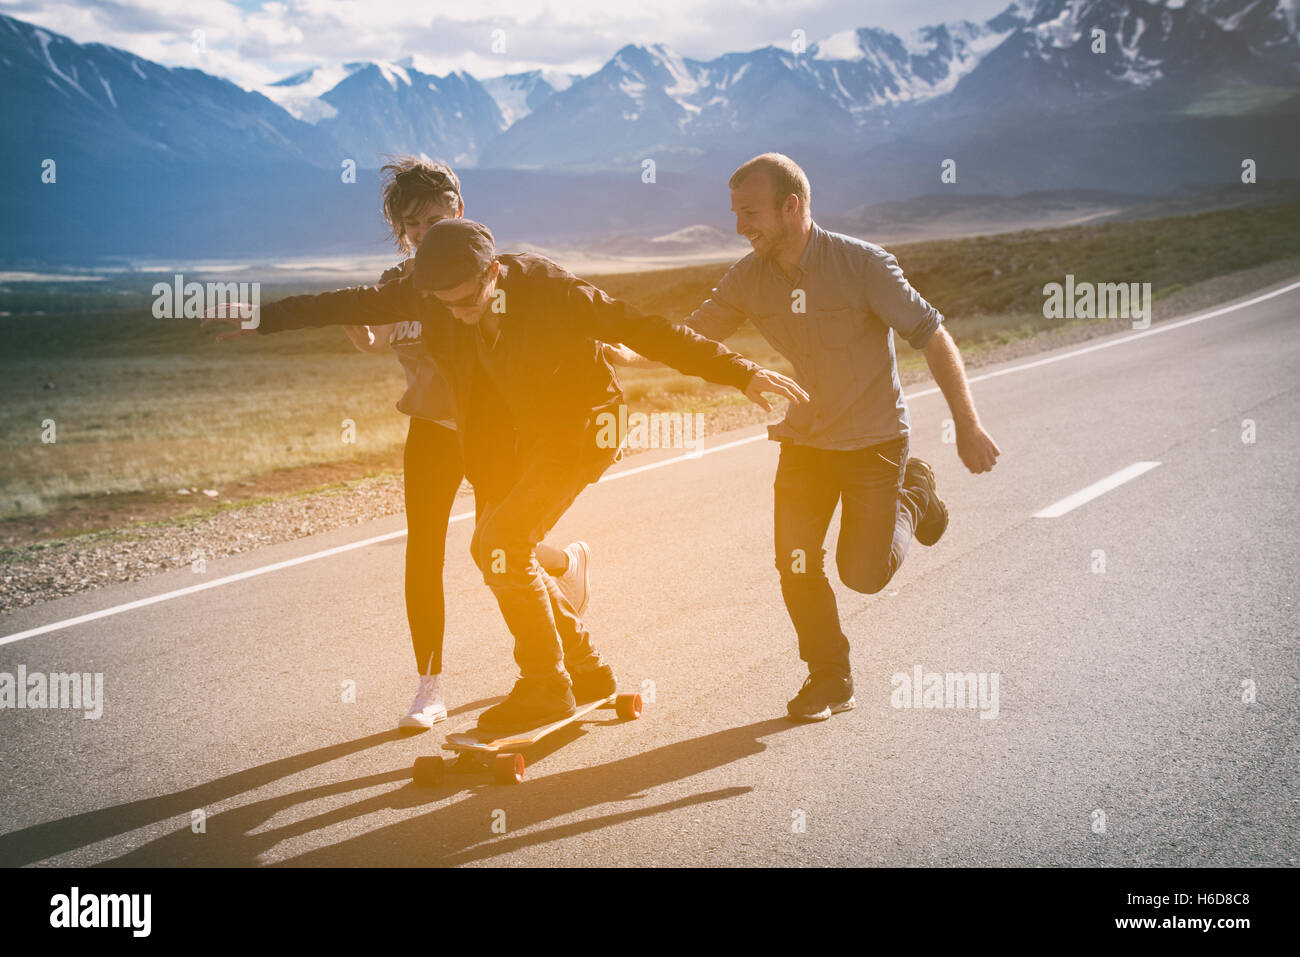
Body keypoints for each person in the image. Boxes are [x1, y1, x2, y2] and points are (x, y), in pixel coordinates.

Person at [212, 218, 808, 735]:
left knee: (501, 543)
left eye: (468, 300)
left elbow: (645, 329)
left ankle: (545, 685)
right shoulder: (430, 295)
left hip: (583, 427)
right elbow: (348, 303)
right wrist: (263, 317)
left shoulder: (550, 290)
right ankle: (587, 668)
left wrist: (740, 372)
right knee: (497, 546)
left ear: (493, 271)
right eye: (445, 305)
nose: (459, 313)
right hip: (512, 436)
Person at [206, 157, 589, 732]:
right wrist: (329, 316)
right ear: (401, 232)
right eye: (412, 226)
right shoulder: (398, 287)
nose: (424, 233)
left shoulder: (491, 278)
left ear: (460, 211)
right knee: (424, 553)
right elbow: (371, 339)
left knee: (503, 551)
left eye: (435, 218)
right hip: (433, 432)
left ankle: (567, 638)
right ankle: (429, 687)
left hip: (491, 435)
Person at [657, 153, 1001, 721]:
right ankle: (829, 677)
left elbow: (931, 335)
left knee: (862, 575)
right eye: (736, 214)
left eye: (751, 213)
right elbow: (693, 335)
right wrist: (619, 345)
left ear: (792, 207)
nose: (741, 227)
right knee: (795, 561)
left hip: (873, 441)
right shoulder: (749, 275)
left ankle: (912, 496)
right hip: (806, 441)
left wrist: (967, 424)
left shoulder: (862, 265)